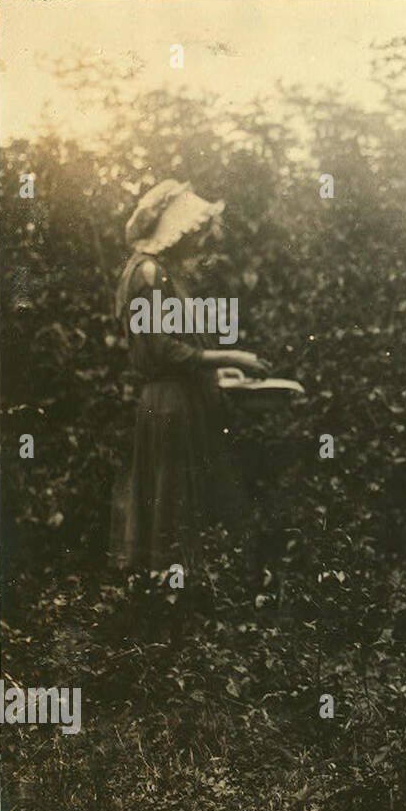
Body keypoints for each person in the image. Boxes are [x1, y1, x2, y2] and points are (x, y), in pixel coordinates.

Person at [110, 180, 267, 629]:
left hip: (180, 397)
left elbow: (178, 349)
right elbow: (164, 351)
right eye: (195, 231)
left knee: (179, 498)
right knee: (174, 499)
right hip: (170, 403)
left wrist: (218, 373)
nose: (201, 241)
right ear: (175, 230)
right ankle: (171, 617)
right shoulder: (148, 273)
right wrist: (230, 356)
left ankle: (180, 610)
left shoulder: (155, 271)